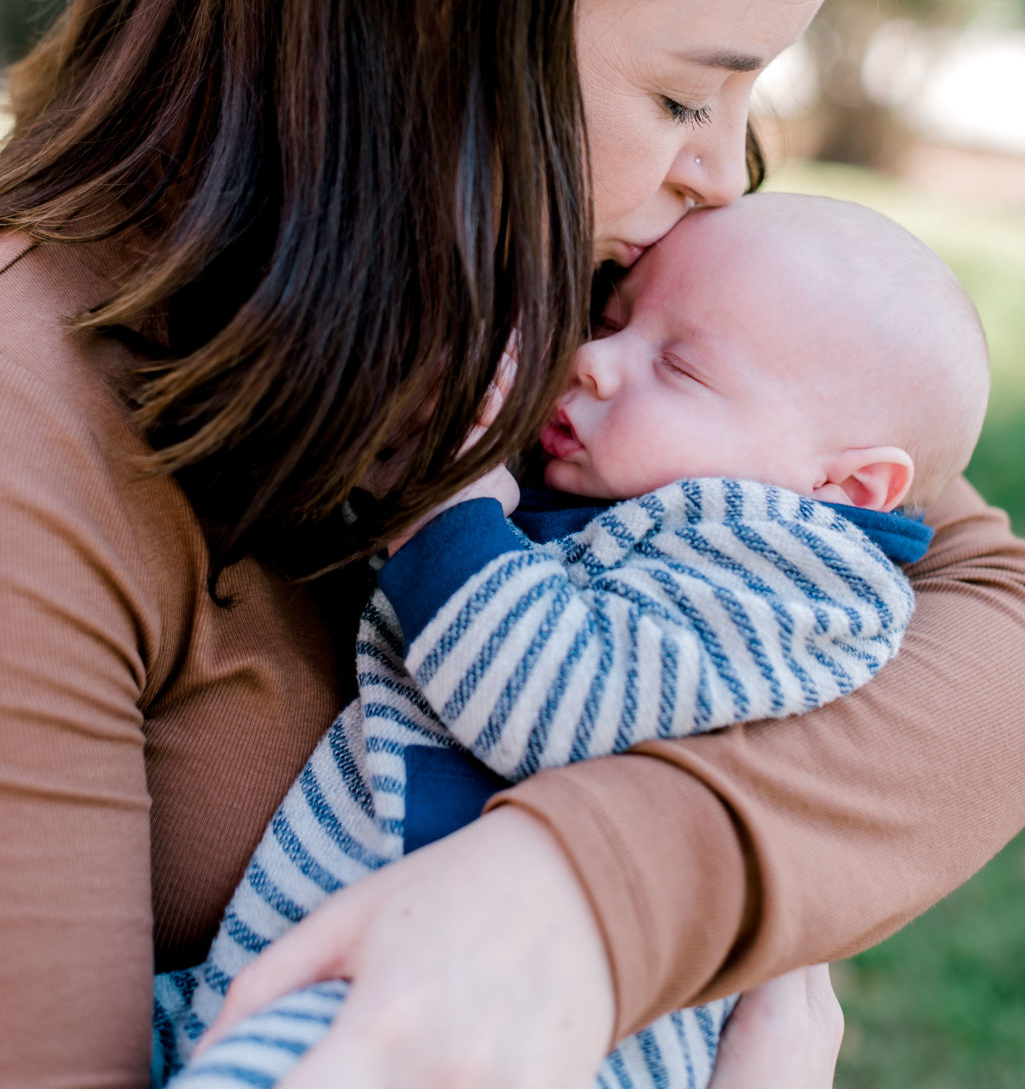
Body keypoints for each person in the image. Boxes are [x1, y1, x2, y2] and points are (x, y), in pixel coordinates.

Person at [1, 0, 1023, 1089]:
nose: (719, 177)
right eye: (684, 93)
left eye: (752, 98)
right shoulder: (41, 437)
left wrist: (588, 895)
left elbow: (986, 609)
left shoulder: (589, 286)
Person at [153, 191, 988, 1089]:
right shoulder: (651, 493)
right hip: (311, 964)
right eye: (613, 319)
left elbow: (568, 702)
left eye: (680, 369)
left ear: (849, 488)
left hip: (485, 1021)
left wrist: (448, 514)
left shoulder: (787, 577)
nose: (590, 360)